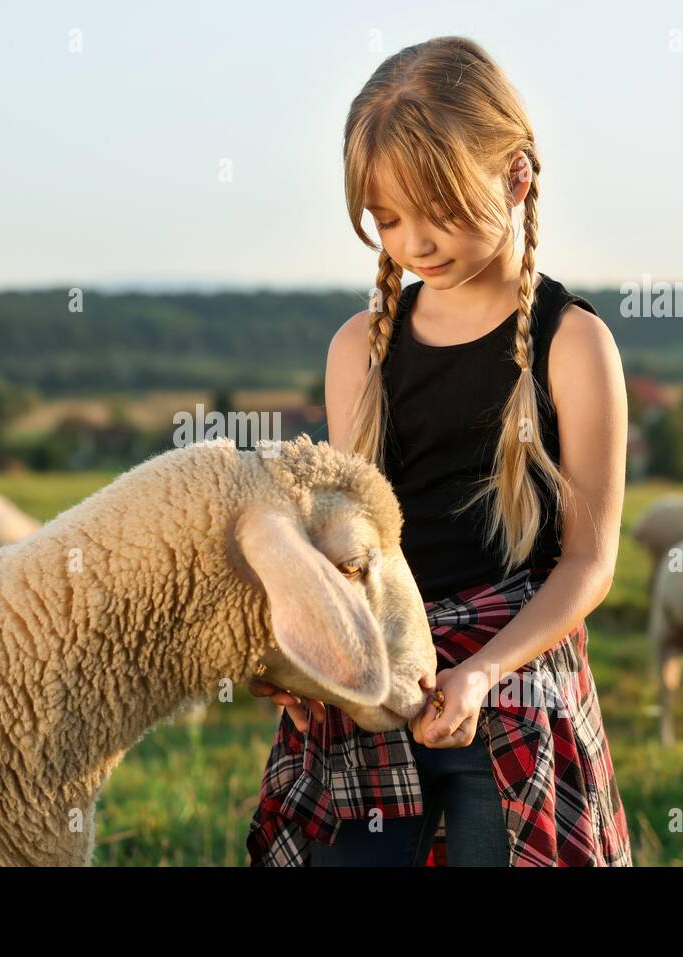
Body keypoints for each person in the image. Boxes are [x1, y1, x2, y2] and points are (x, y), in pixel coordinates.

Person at [246, 35, 632, 867]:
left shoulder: (574, 344)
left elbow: (588, 564)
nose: (414, 242)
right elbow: (345, 548)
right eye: (387, 219)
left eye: (441, 211)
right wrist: (297, 657)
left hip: (513, 692)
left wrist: (483, 673)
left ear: (516, 176)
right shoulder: (360, 349)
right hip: (375, 679)